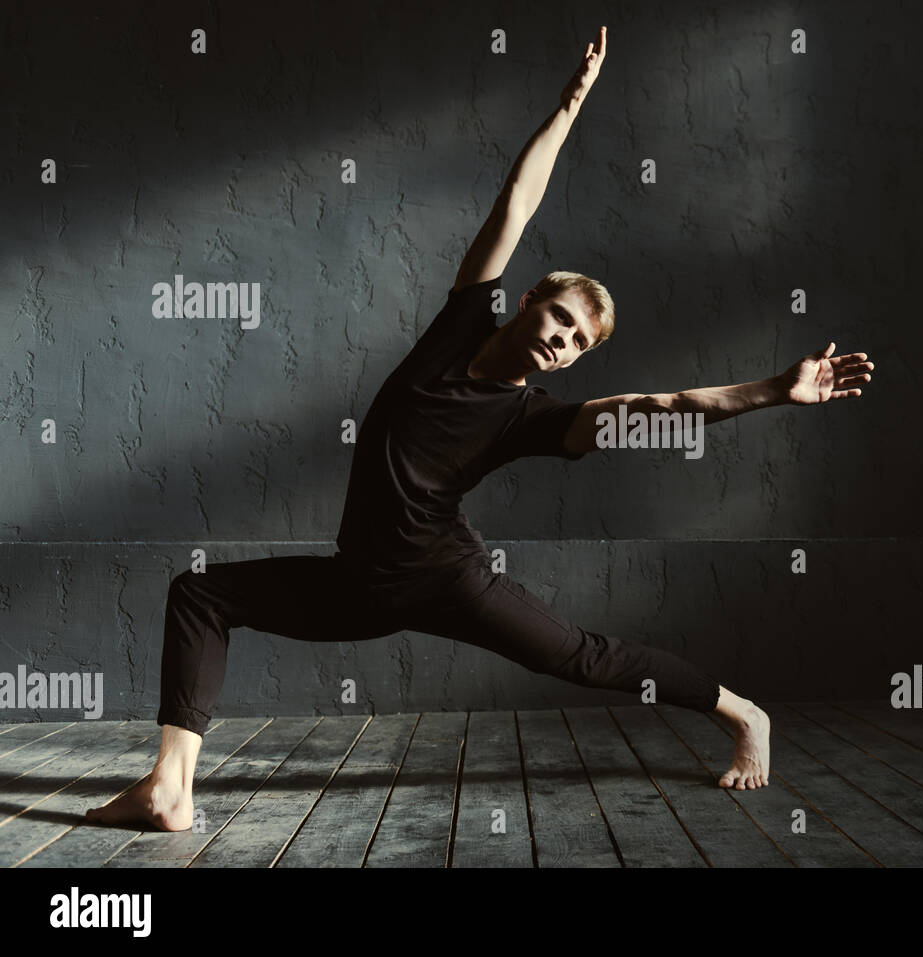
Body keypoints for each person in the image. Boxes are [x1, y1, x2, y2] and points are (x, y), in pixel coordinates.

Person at [87, 26, 872, 832]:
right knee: (200, 595)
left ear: (569, 362)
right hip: (358, 579)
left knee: (583, 657)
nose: (560, 339)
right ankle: (171, 788)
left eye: (574, 343)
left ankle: (743, 713)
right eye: (559, 317)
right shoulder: (461, 323)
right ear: (529, 298)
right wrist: (571, 104)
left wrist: (776, 390)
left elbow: (667, 407)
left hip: (444, 576)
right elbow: (518, 200)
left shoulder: (533, 418)